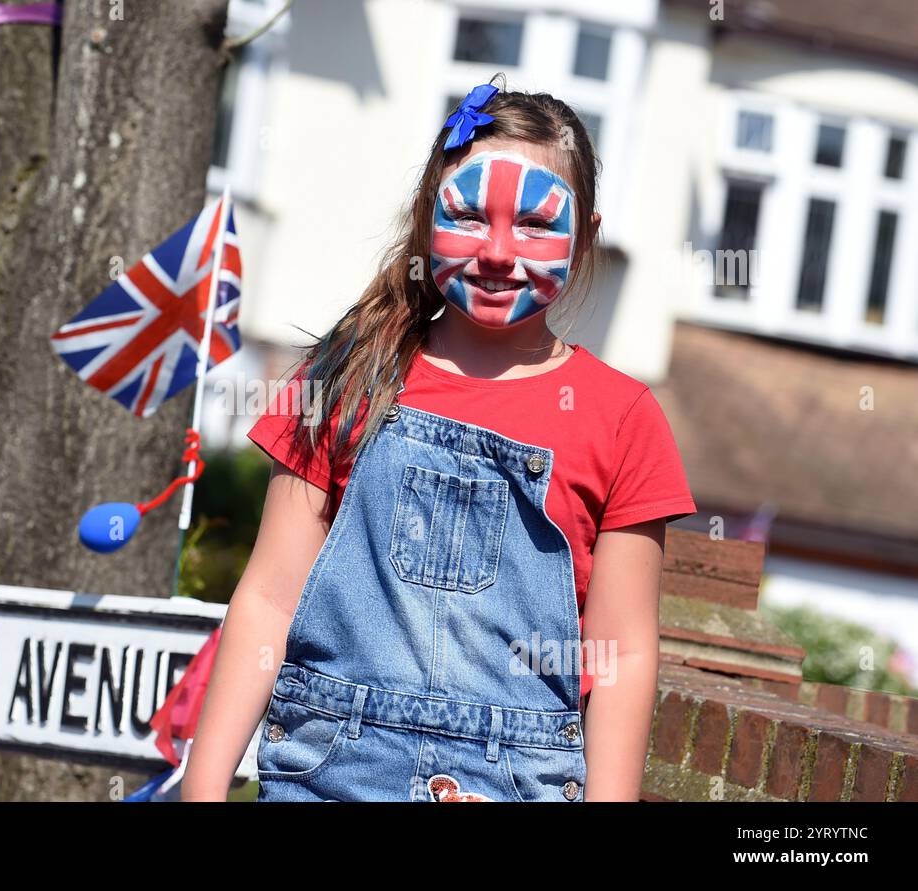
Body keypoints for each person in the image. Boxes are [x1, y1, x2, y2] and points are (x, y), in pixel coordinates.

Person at [181, 79, 696, 802]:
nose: (496, 250)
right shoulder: (351, 371)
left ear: (586, 233)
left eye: (534, 224)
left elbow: (624, 652)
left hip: (516, 782)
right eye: (468, 216)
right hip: (328, 767)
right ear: (427, 218)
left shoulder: (623, 416)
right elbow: (269, 596)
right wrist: (202, 784)